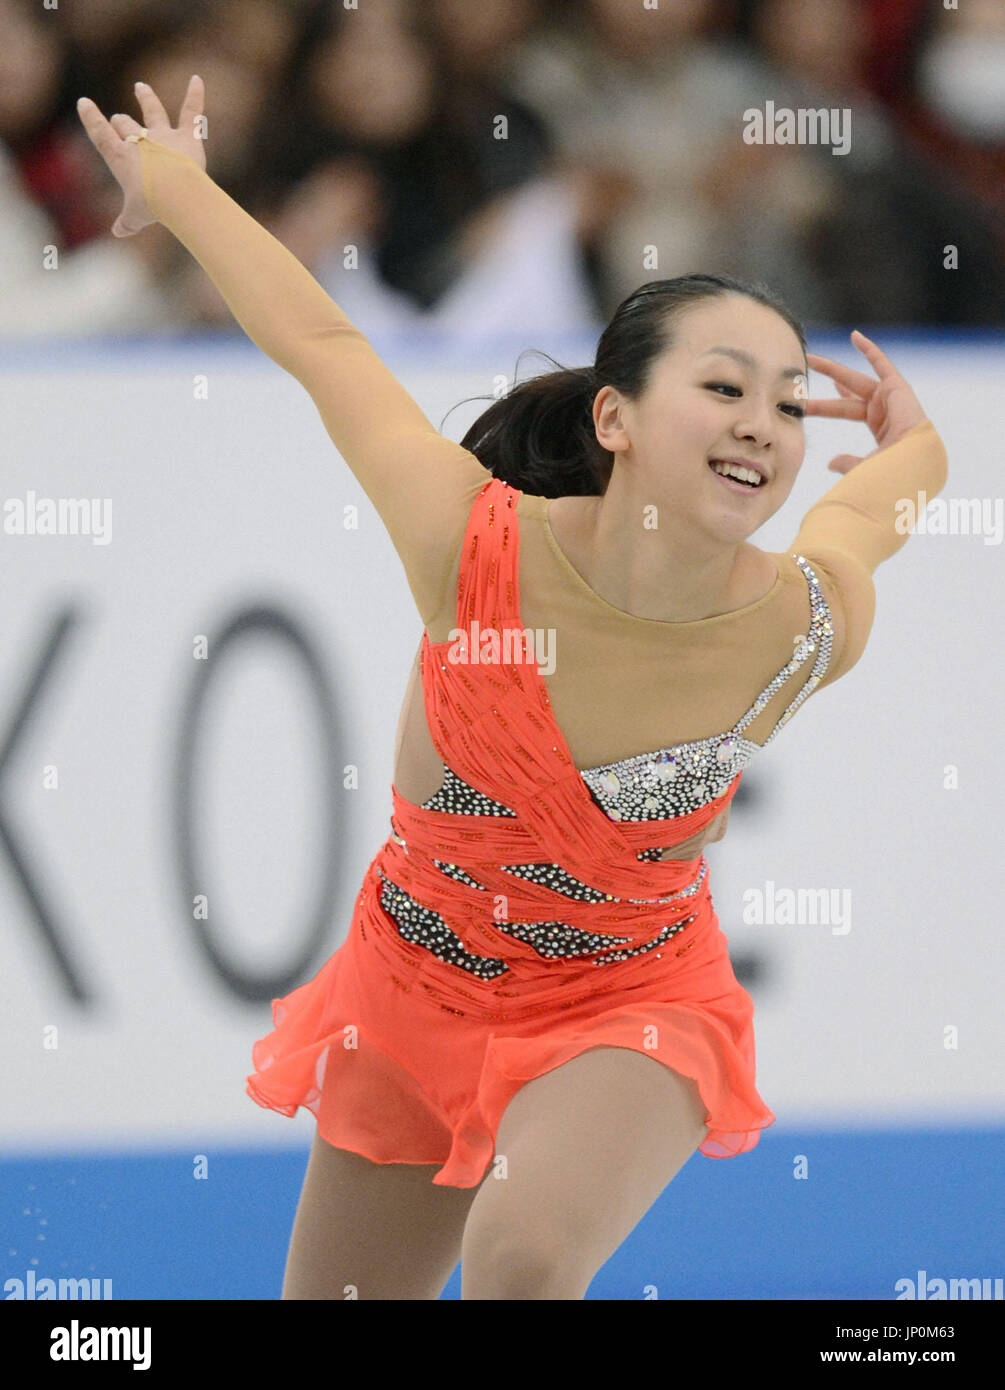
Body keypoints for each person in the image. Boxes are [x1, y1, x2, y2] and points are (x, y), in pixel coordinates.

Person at [77, 77, 949, 1301]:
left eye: (787, 404)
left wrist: (920, 444)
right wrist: (179, 189)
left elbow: (875, 512)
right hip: (413, 980)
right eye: (723, 387)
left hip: (632, 997)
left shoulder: (794, 626)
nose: (764, 423)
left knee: (525, 1258)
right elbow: (326, 345)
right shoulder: (469, 544)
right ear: (618, 417)